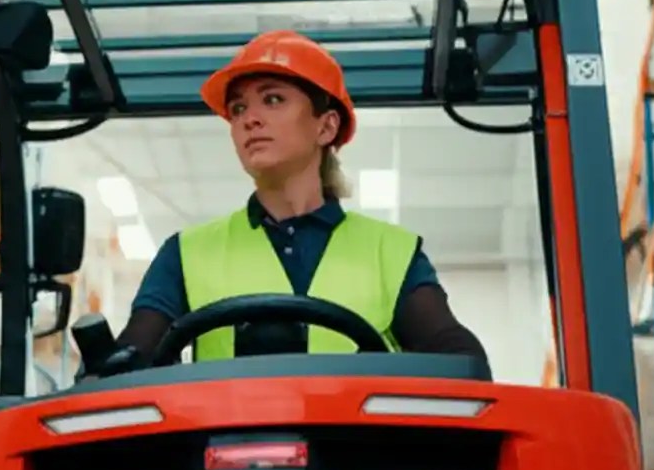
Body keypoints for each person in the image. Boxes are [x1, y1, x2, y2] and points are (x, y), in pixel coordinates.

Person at [99, 29, 489, 374]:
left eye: (272, 99)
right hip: (217, 453)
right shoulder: (185, 254)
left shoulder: (393, 252)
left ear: (326, 126)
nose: (249, 118)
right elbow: (135, 353)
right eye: (238, 108)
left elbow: (454, 355)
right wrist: (108, 366)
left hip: (362, 455)